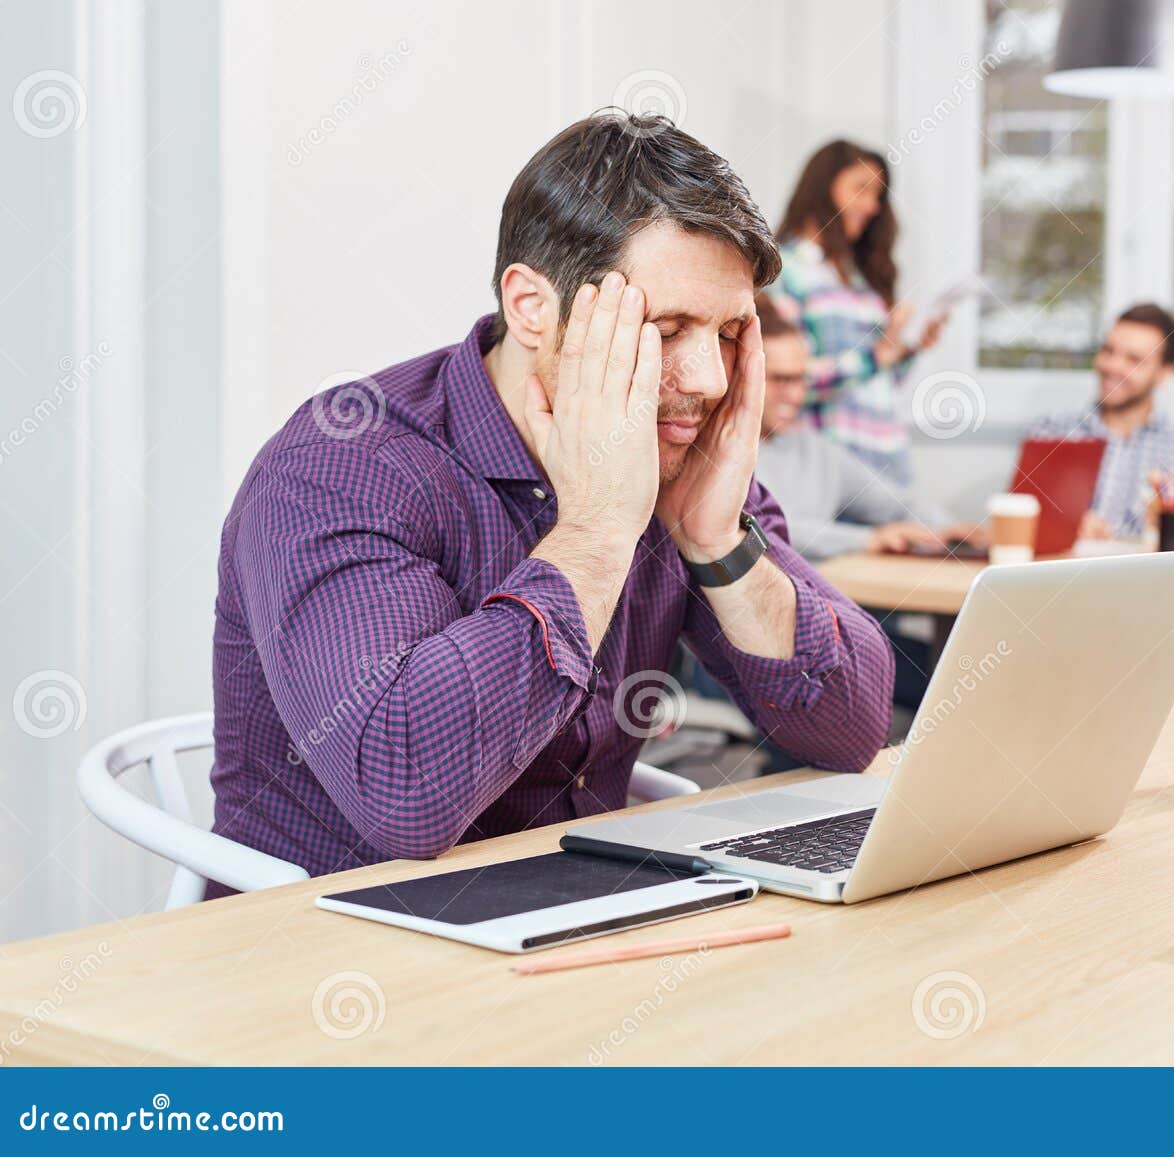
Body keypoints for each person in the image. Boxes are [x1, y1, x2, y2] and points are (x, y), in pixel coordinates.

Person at [206, 114, 895, 892]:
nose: (707, 377)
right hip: (328, 952)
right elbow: (404, 791)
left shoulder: (679, 461)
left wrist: (716, 538)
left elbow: (851, 725)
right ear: (532, 306)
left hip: (572, 915)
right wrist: (598, 529)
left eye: (732, 332)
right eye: (666, 329)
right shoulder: (340, 465)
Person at [767, 140, 946, 485]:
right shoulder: (785, 271)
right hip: (829, 468)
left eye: (877, 195)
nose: (872, 206)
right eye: (860, 189)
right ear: (822, 189)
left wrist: (907, 348)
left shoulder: (858, 279)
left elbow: (880, 382)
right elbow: (789, 379)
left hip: (885, 458)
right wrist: (875, 357)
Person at [753, 295, 978, 561]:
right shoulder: (724, 455)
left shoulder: (816, 449)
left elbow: (895, 505)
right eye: (781, 379)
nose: (796, 395)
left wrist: (945, 528)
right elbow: (768, 531)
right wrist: (869, 539)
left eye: (801, 379)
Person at [1028, 303, 1174, 540]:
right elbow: (1018, 527)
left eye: (1134, 360)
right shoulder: (1050, 432)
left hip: (1151, 576)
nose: (1113, 366)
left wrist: (1164, 532)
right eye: (1108, 351)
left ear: (1164, 373)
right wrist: (1067, 527)